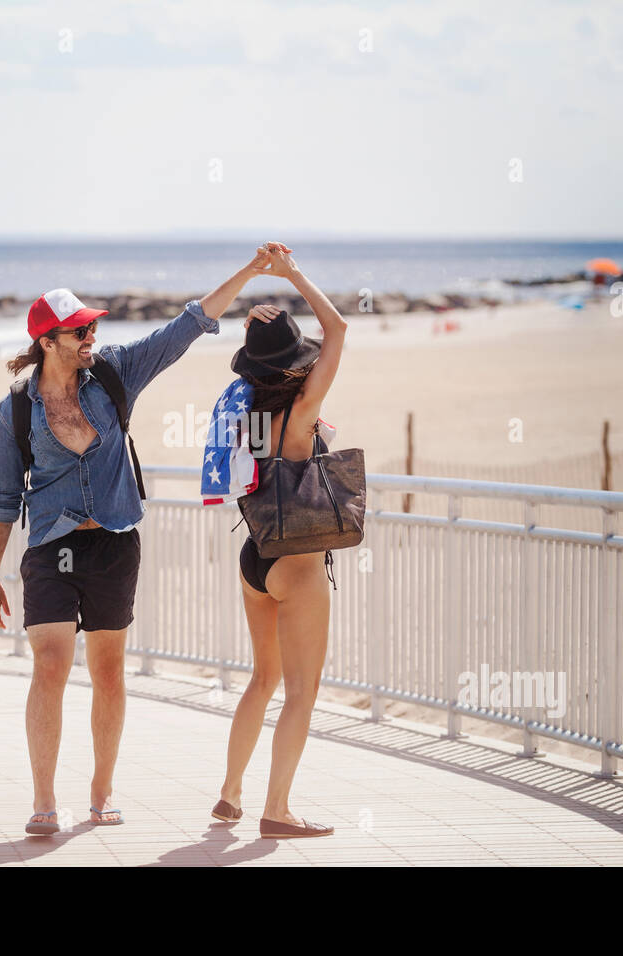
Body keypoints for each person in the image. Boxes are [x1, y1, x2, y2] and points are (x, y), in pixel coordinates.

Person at [0, 249, 279, 836]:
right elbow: (0, 496)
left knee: (110, 670)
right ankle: (44, 798)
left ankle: (100, 790)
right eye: (79, 330)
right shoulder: (13, 412)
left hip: (114, 542)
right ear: (49, 341)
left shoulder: (115, 373)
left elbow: (187, 326)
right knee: (49, 666)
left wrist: (250, 272)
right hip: (50, 548)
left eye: (93, 326)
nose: (92, 335)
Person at [209, 244, 348, 838]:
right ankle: (278, 810)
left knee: (262, 679)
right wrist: (293, 276)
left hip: (253, 556)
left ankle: (230, 794)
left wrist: (256, 327)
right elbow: (338, 328)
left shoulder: (242, 409)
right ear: (295, 359)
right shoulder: (301, 409)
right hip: (296, 560)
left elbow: (263, 362)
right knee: (301, 692)